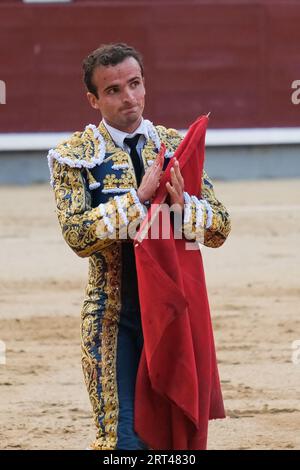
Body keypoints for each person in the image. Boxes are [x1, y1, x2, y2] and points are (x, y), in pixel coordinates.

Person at [48, 43, 231, 450]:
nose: (128, 97)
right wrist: (137, 197)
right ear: (93, 99)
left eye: (134, 84)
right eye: (113, 90)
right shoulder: (73, 157)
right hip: (113, 318)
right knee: (123, 440)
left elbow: (220, 227)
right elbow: (77, 235)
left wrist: (184, 207)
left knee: (170, 440)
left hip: (169, 317)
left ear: (145, 85)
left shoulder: (172, 146)